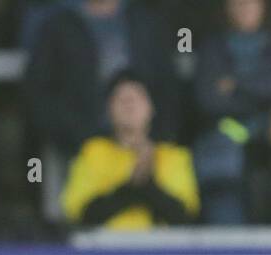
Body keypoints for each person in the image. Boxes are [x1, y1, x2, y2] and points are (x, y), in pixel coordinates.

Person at [192, 0, 271, 223]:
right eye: (237, 4)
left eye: (250, 3)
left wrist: (237, 84)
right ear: (226, 7)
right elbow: (208, 100)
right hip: (225, 151)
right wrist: (264, 92)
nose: (244, 8)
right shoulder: (211, 46)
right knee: (223, 202)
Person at [23, 0, 180, 157]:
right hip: (77, 147)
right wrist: (76, 135)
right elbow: (39, 92)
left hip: (147, 145)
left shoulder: (145, 22)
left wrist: (158, 139)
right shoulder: (57, 26)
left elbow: (167, 86)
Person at [61, 70, 198, 229]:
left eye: (137, 97)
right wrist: (130, 188)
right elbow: (81, 215)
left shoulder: (173, 156)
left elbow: (184, 218)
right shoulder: (92, 153)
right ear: (109, 109)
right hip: (105, 250)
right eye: (120, 99)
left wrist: (148, 185)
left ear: (151, 107)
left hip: (159, 250)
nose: (129, 103)